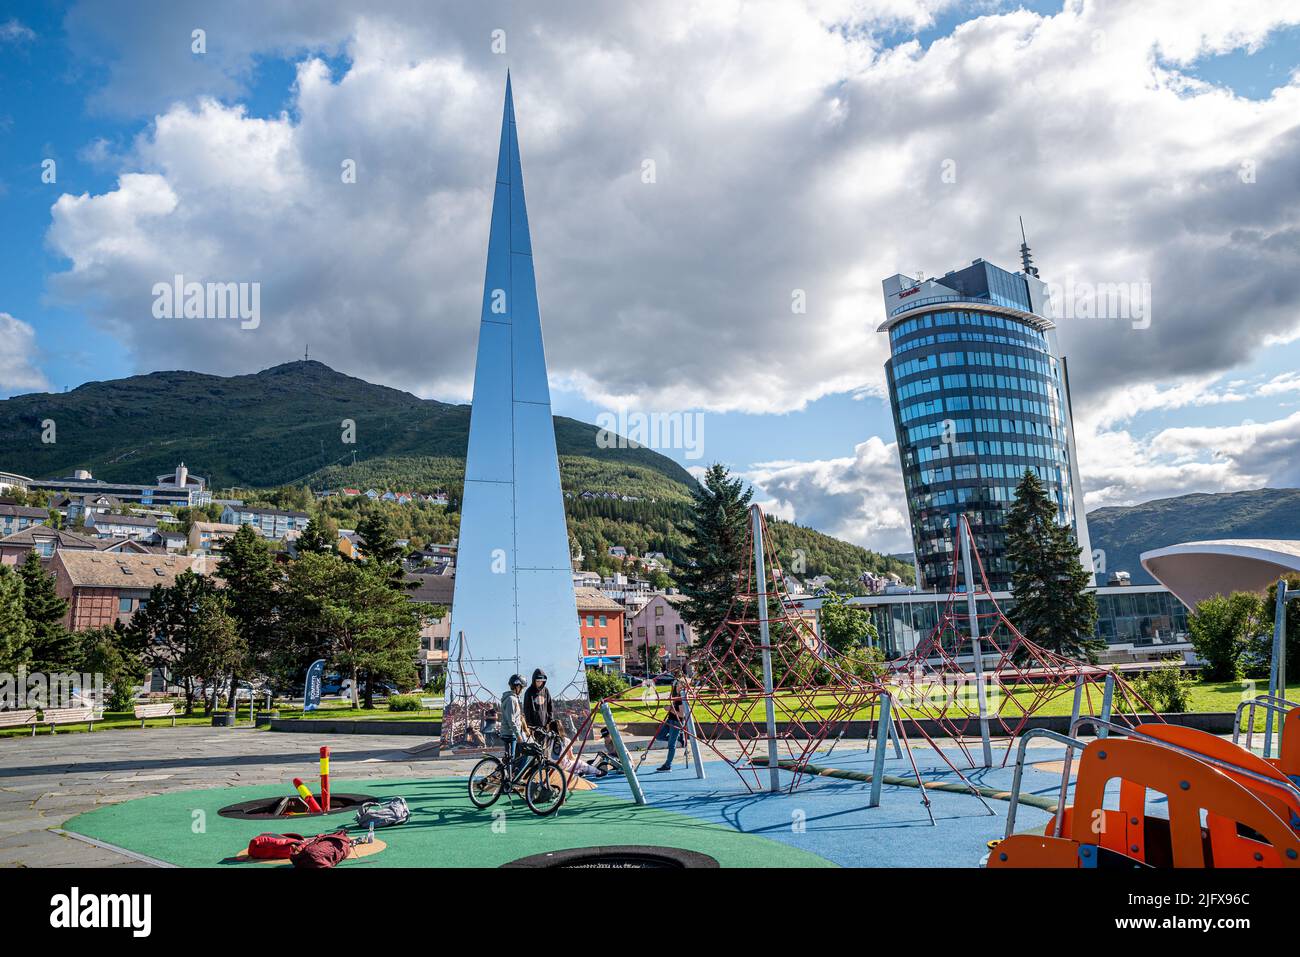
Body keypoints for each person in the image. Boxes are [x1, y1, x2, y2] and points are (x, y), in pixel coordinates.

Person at [656, 672, 686, 772]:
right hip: (670, 720)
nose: (677, 686)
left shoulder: (681, 698)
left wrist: (670, 708)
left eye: (679, 685)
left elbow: (682, 714)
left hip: (676, 722)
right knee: (659, 736)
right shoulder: (676, 695)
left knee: (671, 745)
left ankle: (668, 765)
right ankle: (679, 738)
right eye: (677, 684)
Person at [499, 674, 528, 775]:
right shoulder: (511, 699)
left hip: (510, 733)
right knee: (524, 755)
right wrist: (518, 735)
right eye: (522, 688)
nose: (522, 690)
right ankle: (511, 779)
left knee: (510, 759)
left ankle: (508, 778)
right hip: (510, 734)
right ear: (518, 686)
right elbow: (511, 720)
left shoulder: (512, 698)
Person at [522, 668, 553, 734]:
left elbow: (550, 706)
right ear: (534, 680)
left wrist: (550, 720)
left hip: (545, 724)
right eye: (538, 681)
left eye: (541, 681)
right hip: (533, 726)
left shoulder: (546, 691)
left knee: (545, 744)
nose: (539, 683)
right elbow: (526, 709)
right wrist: (529, 724)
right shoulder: (529, 692)